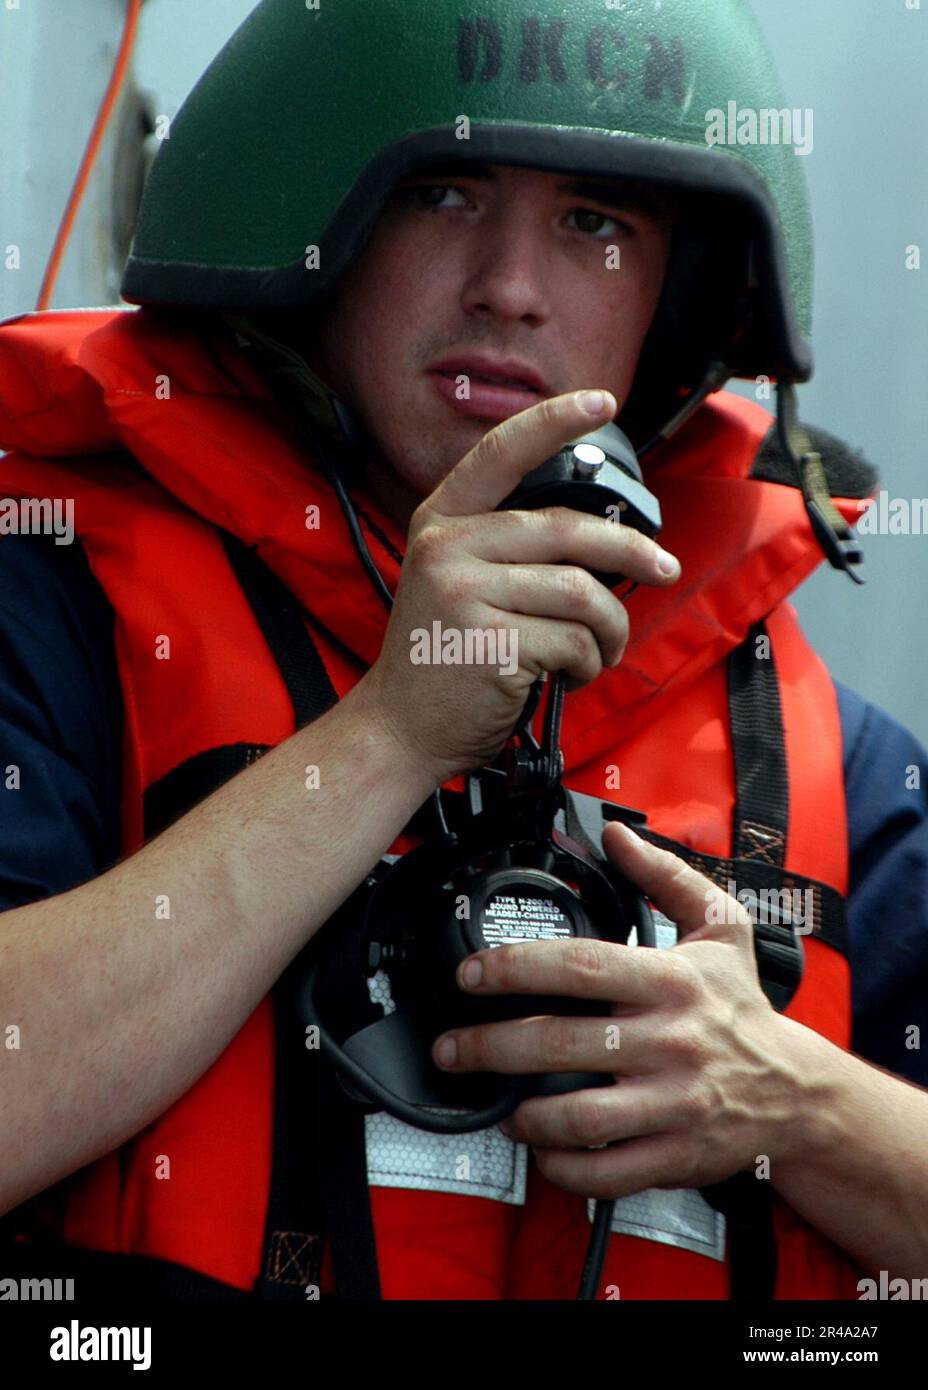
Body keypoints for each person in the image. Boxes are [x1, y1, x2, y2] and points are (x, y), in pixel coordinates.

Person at [0, 0, 926, 1301]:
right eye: (442, 190)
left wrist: (793, 1102)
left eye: (596, 223)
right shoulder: (62, 603)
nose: (510, 283)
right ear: (312, 230)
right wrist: (389, 734)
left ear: (679, 301)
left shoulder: (832, 764)